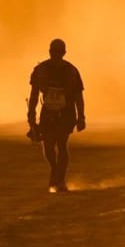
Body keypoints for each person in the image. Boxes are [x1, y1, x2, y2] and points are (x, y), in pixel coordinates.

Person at [28, 38, 85, 192]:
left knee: (61, 144)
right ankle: (55, 171)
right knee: (47, 147)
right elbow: (33, 94)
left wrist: (81, 116)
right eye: (54, 52)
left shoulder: (71, 70)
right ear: (50, 52)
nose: (57, 55)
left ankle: (59, 179)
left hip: (66, 112)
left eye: (59, 53)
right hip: (47, 112)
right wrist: (31, 114)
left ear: (64, 53)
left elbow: (78, 95)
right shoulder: (41, 70)